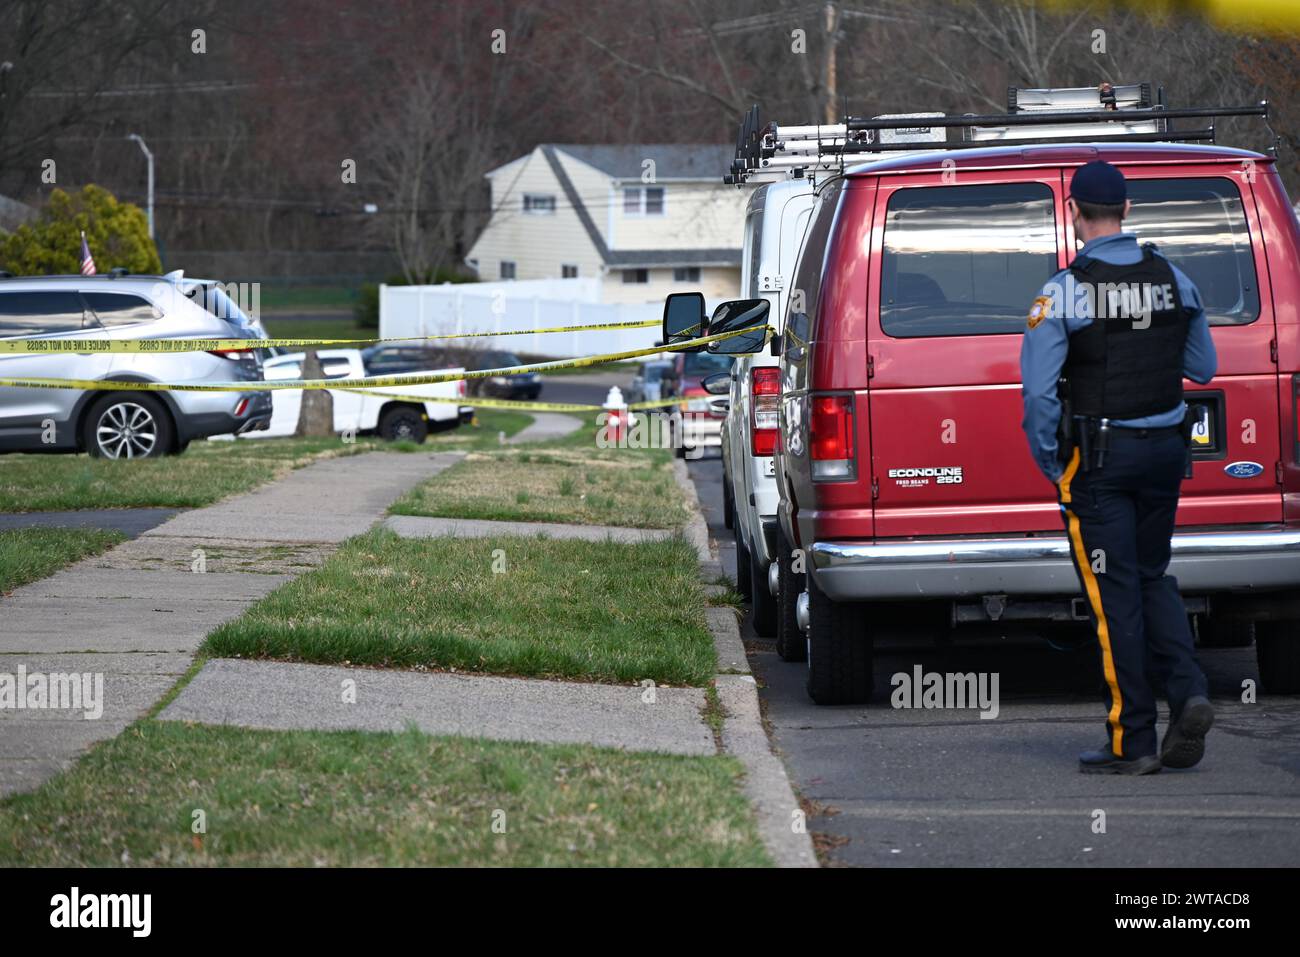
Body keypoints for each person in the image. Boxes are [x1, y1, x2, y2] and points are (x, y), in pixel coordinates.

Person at [1020, 160, 1217, 775]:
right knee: (1153, 574)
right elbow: (1203, 368)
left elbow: (1038, 396)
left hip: (1100, 462)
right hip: (1164, 455)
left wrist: (1054, 463)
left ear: (1073, 213)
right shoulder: (1175, 279)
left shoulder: (1063, 291)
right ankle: (1188, 693)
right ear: (1128, 210)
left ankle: (1130, 740)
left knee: (1113, 597)